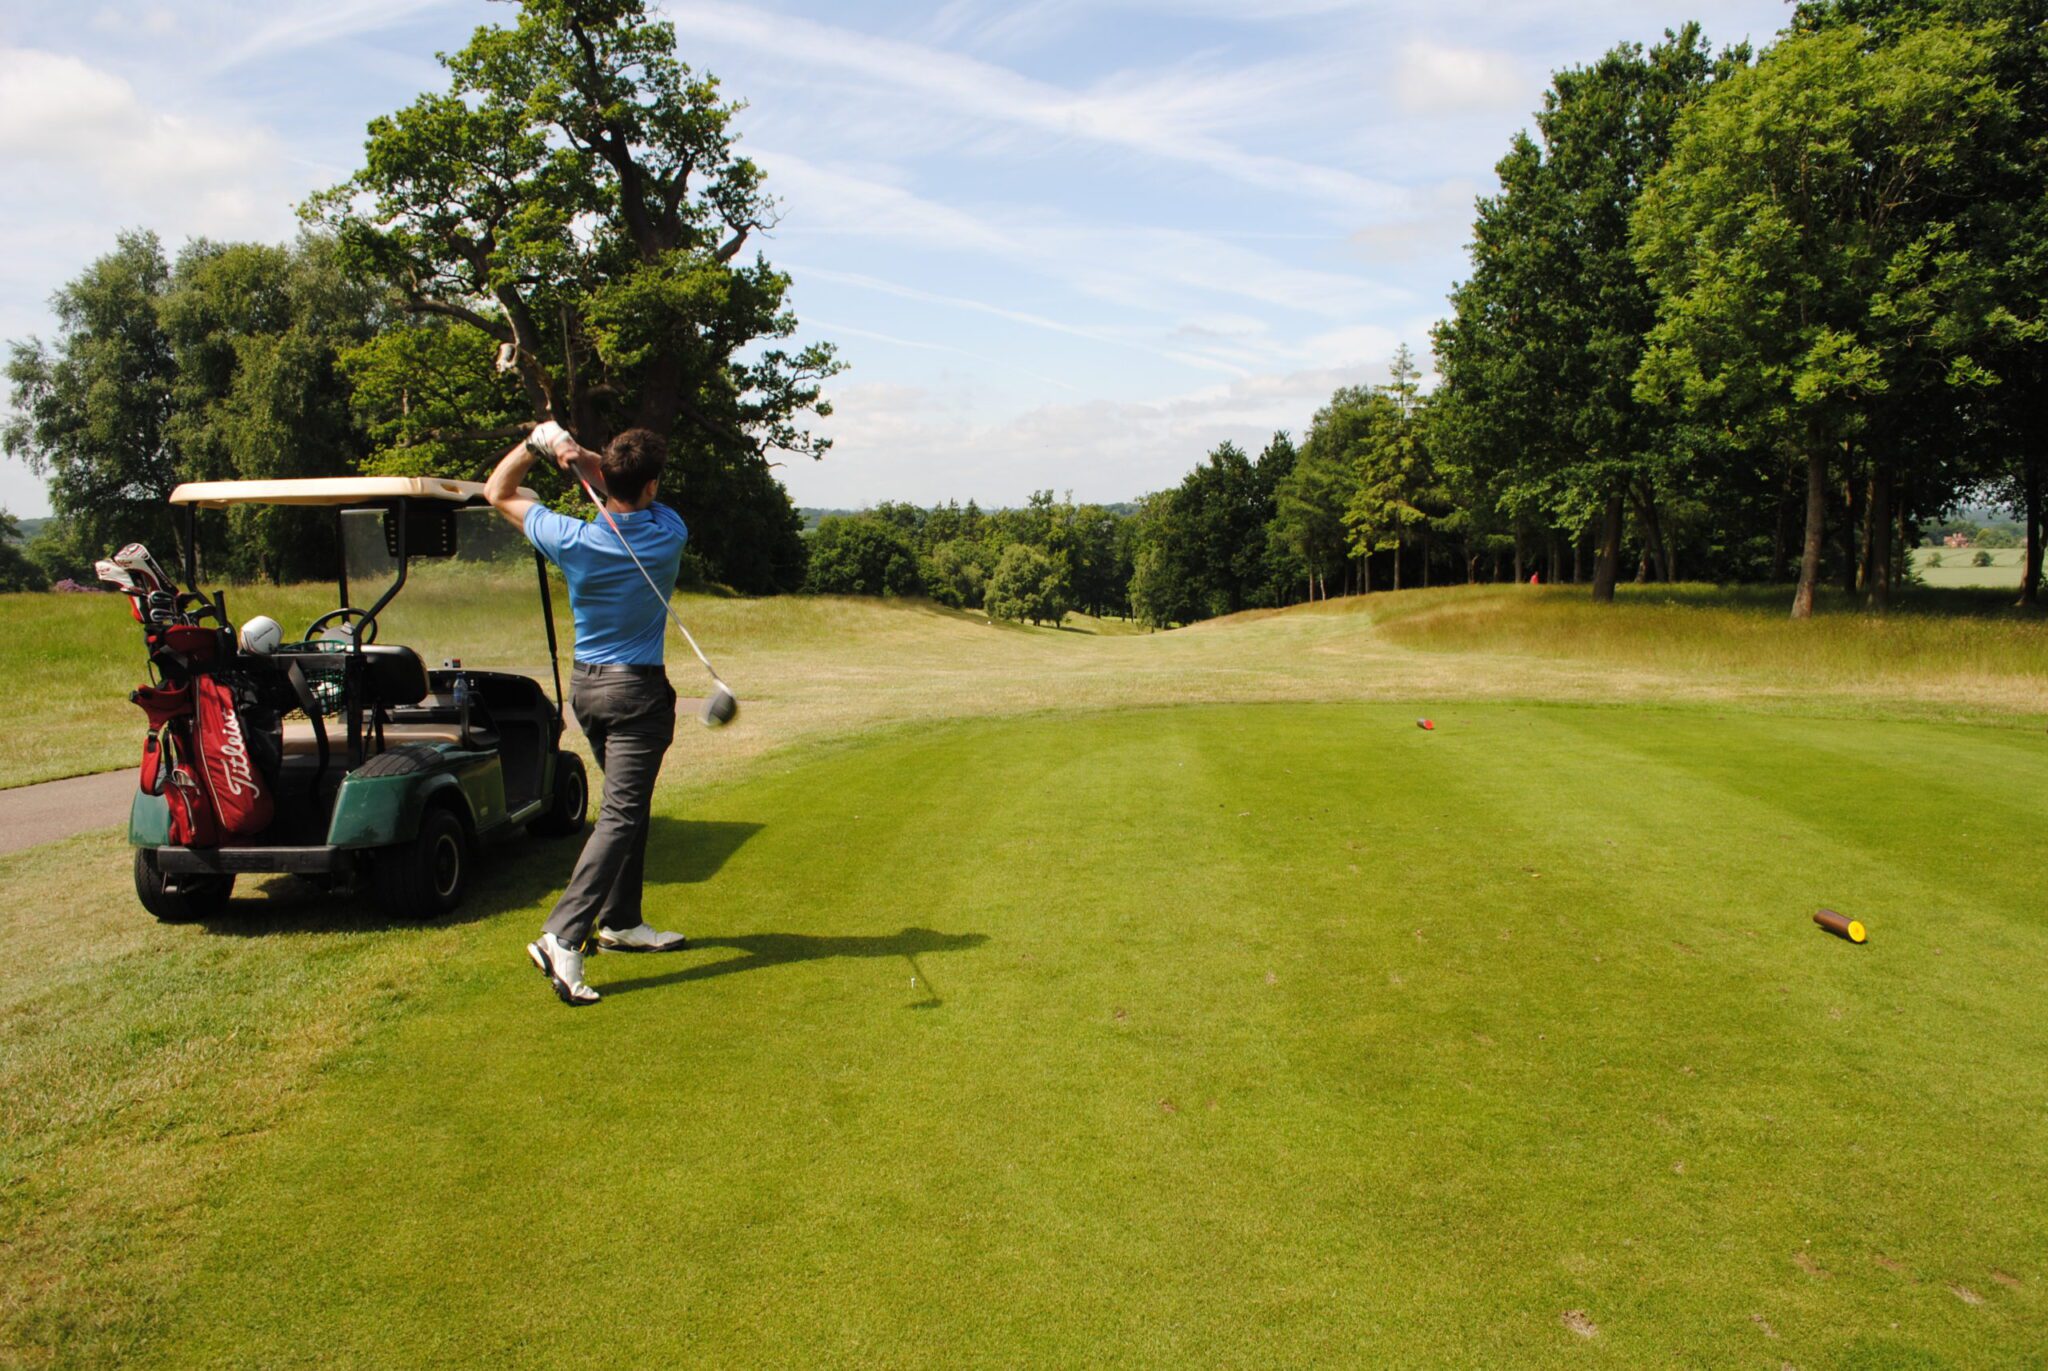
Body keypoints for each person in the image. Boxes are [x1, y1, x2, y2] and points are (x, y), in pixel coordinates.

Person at [486, 422, 692, 1007]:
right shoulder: (668, 532)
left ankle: (622, 921)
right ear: (650, 484)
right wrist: (587, 457)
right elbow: (624, 483)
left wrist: (538, 447)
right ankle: (563, 935)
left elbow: (497, 491)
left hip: (588, 692)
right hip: (638, 696)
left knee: (631, 805)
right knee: (622, 815)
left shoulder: (572, 538)